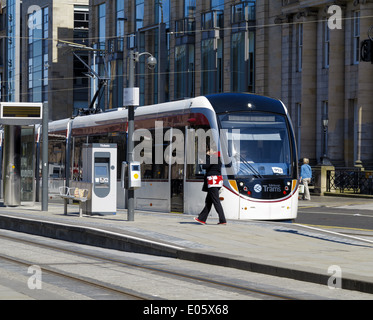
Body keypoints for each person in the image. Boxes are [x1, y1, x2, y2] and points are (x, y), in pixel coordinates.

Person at [194, 147, 227, 225]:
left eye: (210, 150)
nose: (208, 152)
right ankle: (201, 219)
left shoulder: (214, 158)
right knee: (209, 201)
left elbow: (205, 166)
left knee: (216, 201)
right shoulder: (218, 158)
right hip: (216, 181)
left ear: (213, 151)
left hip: (213, 182)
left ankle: (222, 220)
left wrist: (207, 156)